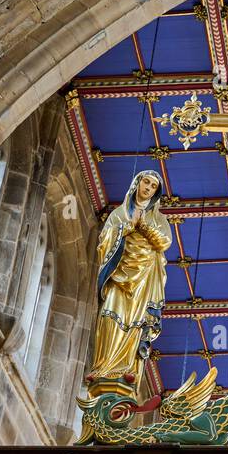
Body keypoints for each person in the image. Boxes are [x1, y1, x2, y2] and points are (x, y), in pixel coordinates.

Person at [86, 170, 171, 398]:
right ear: (136, 183)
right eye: (146, 182)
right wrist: (126, 228)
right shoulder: (119, 213)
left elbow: (164, 241)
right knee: (110, 314)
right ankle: (104, 366)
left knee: (135, 321)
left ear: (156, 192)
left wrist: (142, 226)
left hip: (143, 281)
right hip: (119, 274)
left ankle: (126, 369)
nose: (148, 188)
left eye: (153, 186)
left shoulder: (159, 220)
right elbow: (105, 241)